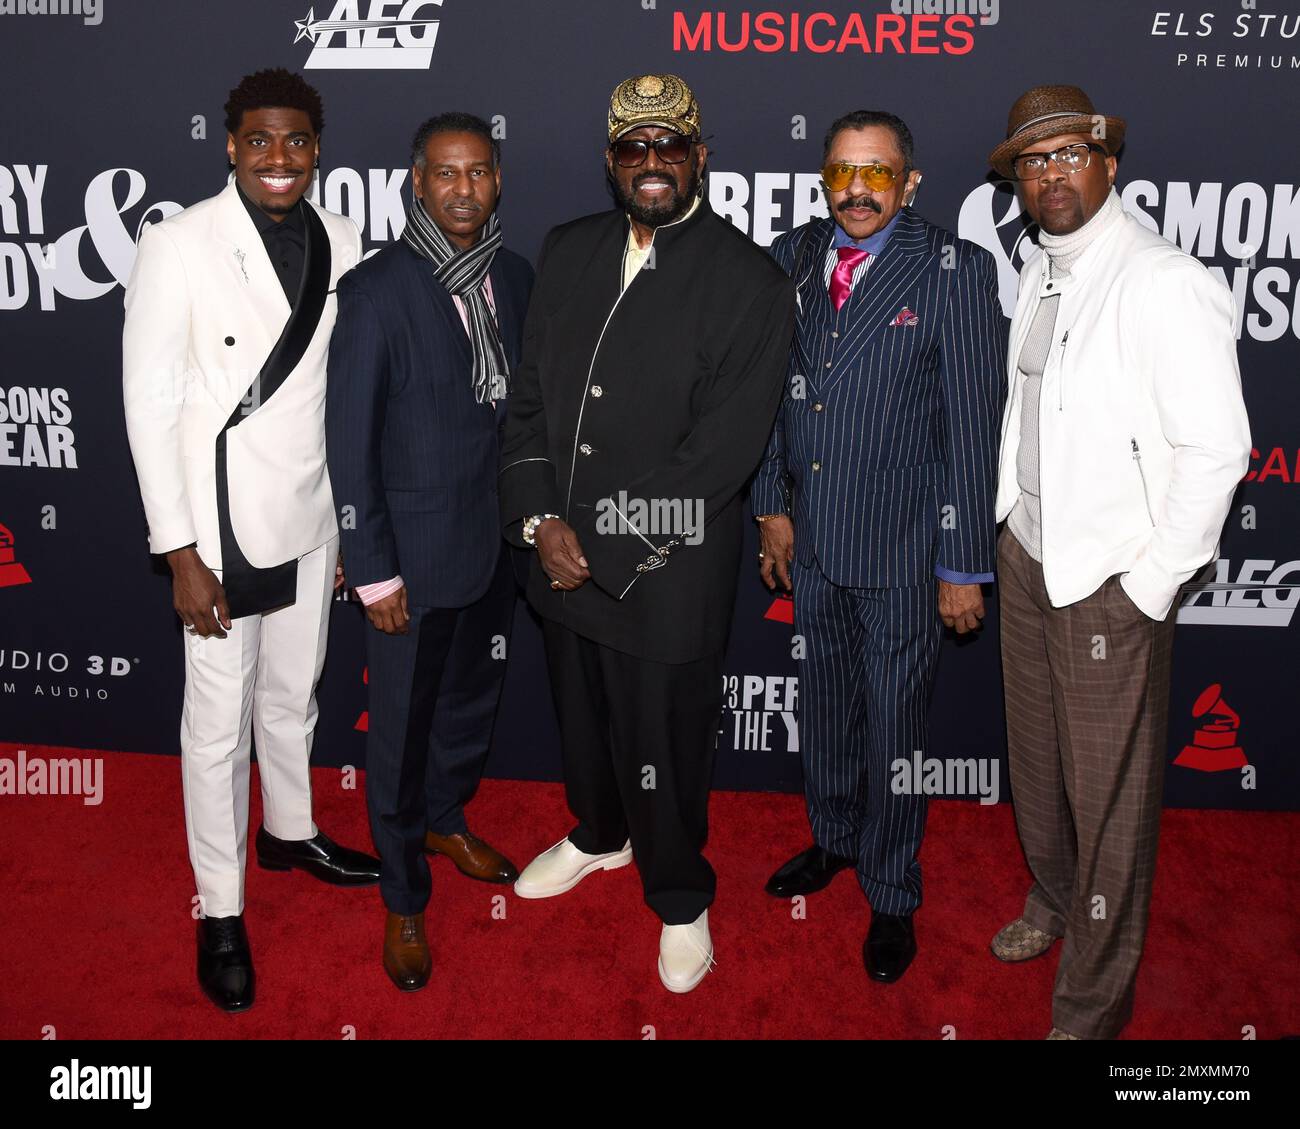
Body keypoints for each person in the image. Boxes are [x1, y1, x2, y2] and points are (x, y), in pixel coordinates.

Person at [499, 74, 795, 993]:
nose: (653, 163)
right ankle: (598, 834)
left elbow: (722, 452)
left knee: (663, 746)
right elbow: (533, 400)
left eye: (671, 146)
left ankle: (678, 894)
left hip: (666, 574)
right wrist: (544, 520)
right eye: (634, 149)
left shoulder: (748, 278)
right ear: (612, 164)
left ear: (701, 157)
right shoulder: (569, 247)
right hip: (556, 557)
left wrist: (605, 543)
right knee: (581, 720)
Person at [986, 85, 1251, 1039]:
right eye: (1032, 160)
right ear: (1015, 180)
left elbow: (1217, 453)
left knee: (1108, 799)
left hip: (1109, 581)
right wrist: (1009, 525)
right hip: (1027, 555)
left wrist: (1148, 584)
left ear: (1107, 163)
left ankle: (1092, 1007)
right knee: (1040, 764)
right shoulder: (1043, 267)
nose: (1050, 173)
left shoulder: (1162, 279)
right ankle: (1054, 901)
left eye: (1067, 154)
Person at [121, 68, 380, 1014]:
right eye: (261, 140)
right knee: (216, 722)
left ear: (318, 150)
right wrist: (179, 548)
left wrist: (351, 518)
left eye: (298, 141)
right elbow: (149, 408)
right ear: (229, 143)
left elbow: (340, 401)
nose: (280, 158)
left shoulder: (344, 240)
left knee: (293, 692)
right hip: (219, 528)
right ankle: (221, 906)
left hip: (310, 517)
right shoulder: (178, 244)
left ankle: (292, 828)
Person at [753, 110, 1006, 984]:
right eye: (842, 173)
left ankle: (893, 890)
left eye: (878, 173)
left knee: (896, 725)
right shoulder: (790, 256)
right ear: (823, 178)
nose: (858, 190)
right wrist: (769, 505)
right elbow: (768, 399)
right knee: (823, 702)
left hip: (905, 549)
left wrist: (962, 563)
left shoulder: (956, 270)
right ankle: (831, 838)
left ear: (910, 182)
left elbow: (975, 432)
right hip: (811, 538)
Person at [326, 112, 531, 992]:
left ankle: (445, 819)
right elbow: (349, 440)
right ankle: (403, 892)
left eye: (478, 172)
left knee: (468, 707)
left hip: (492, 551)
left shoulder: (515, 279)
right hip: (407, 561)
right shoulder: (376, 292)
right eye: (445, 173)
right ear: (417, 181)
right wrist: (372, 568)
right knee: (400, 732)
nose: (462, 188)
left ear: (496, 181)